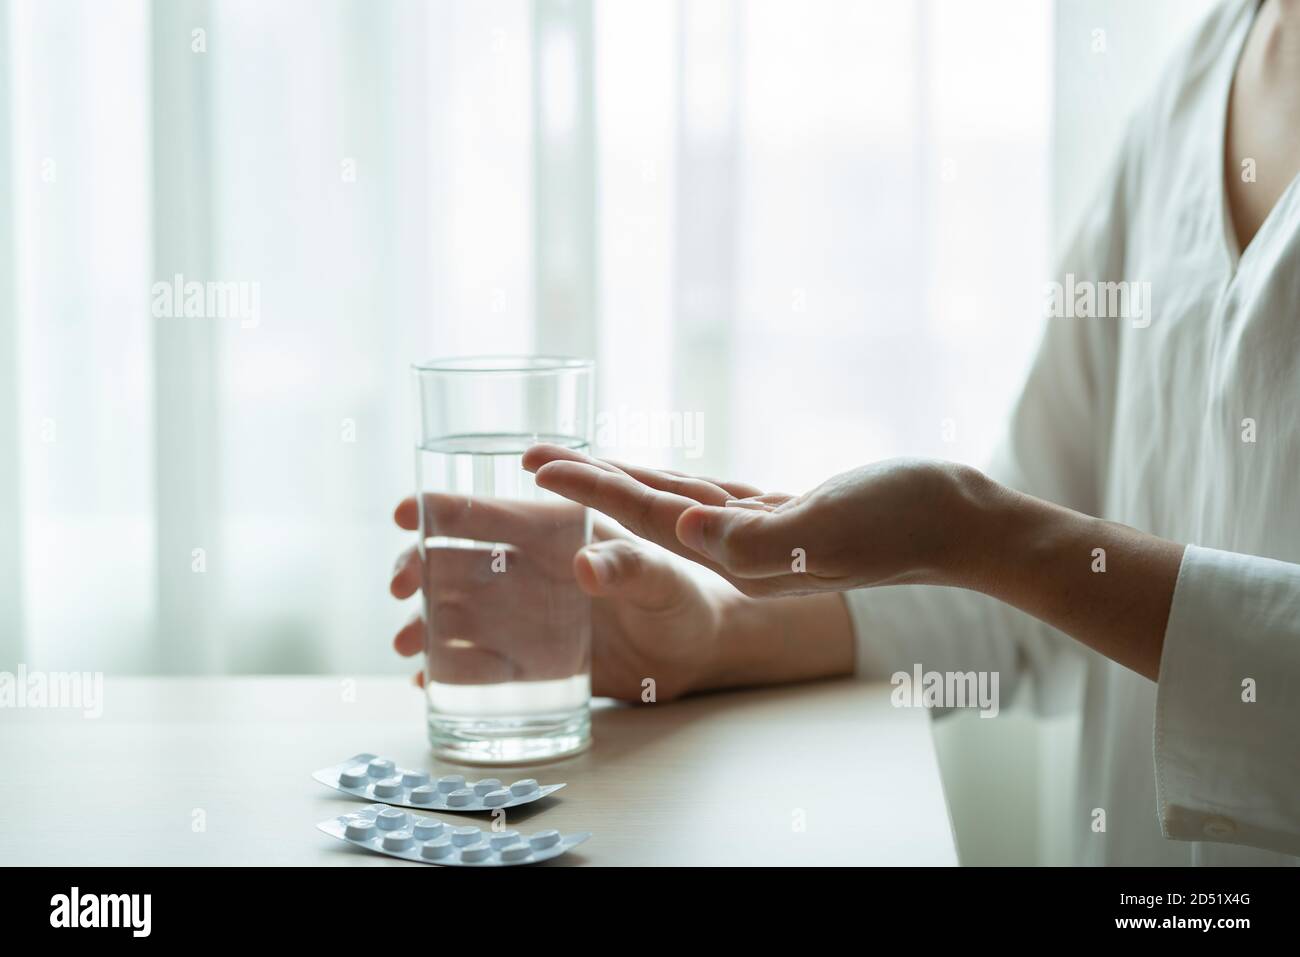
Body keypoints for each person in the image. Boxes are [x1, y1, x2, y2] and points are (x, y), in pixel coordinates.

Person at [389, 0, 1299, 865]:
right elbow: (1043, 590)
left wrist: (975, 529)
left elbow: (1025, 548)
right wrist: (714, 631)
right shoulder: (1197, 76)